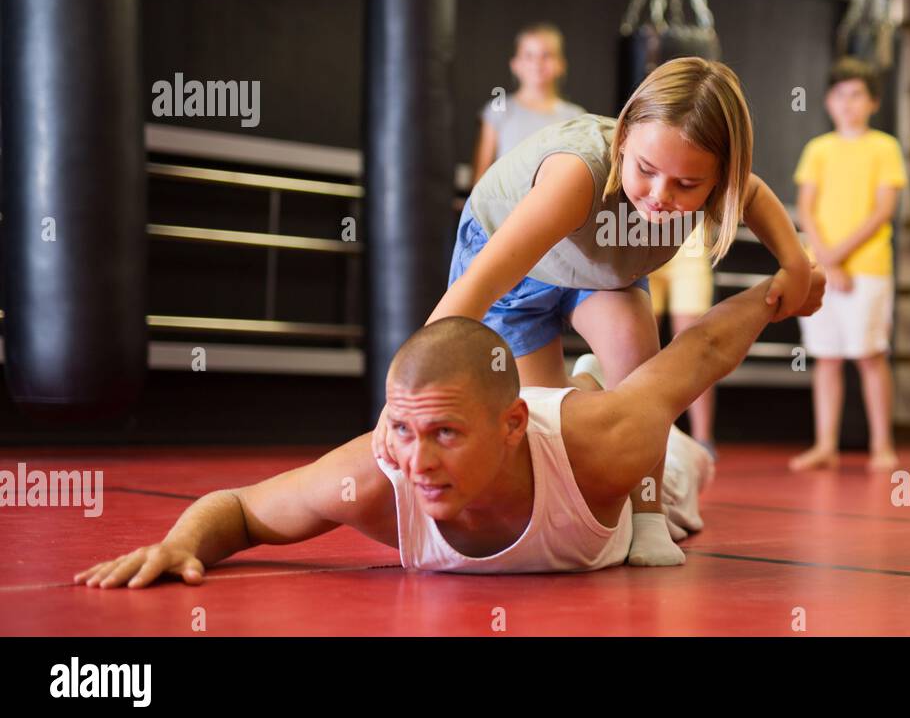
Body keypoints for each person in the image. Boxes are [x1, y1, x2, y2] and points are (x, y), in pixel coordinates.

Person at [73, 269, 826, 588]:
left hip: (621, 479)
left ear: (509, 425)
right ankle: (584, 375)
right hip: (555, 413)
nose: (418, 463)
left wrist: (781, 289)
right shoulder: (378, 474)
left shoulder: (605, 446)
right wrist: (180, 545)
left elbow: (697, 353)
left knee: (676, 456)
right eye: (403, 429)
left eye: (443, 436)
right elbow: (239, 508)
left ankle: (591, 380)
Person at [373, 56, 812, 566]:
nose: (659, 197)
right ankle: (586, 387)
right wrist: (403, 403)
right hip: (518, 273)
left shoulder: (711, 185)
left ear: (719, 180)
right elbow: (475, 291)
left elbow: (754, 193)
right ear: (623, 137)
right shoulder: (574, 178)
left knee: (639, 362)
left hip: (602, 267)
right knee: (549, 424)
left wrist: (794, 263)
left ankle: (648, 514)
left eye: (687, 185)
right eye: (645, 170)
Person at [789, 58, 906, 473]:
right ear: (828, 101)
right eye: (841, 94)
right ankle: (825, 445)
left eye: (857, 94)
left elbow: (881, 211)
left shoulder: (884, 147)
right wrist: (824, 258)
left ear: (872, 101)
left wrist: (837, 257)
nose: (848, 103)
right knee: (827, 358)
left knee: (870, 355)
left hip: (868, 268)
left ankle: (882, 445)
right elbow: (806, 207)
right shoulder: (818, 149)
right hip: (823, 267)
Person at [471, 23, 585, 184]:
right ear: (515, 65)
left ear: (561, 65)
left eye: (546, 55)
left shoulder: (576, 117)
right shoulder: (497, 110)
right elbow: (479, 179)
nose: (537, 63)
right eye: (529, 55)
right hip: (505, 208)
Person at [646, 222, 717, 454]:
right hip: (638, 241)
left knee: (694, 346)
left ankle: (702, 440)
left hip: (689, 242)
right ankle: (640, 433)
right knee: (637, 349)